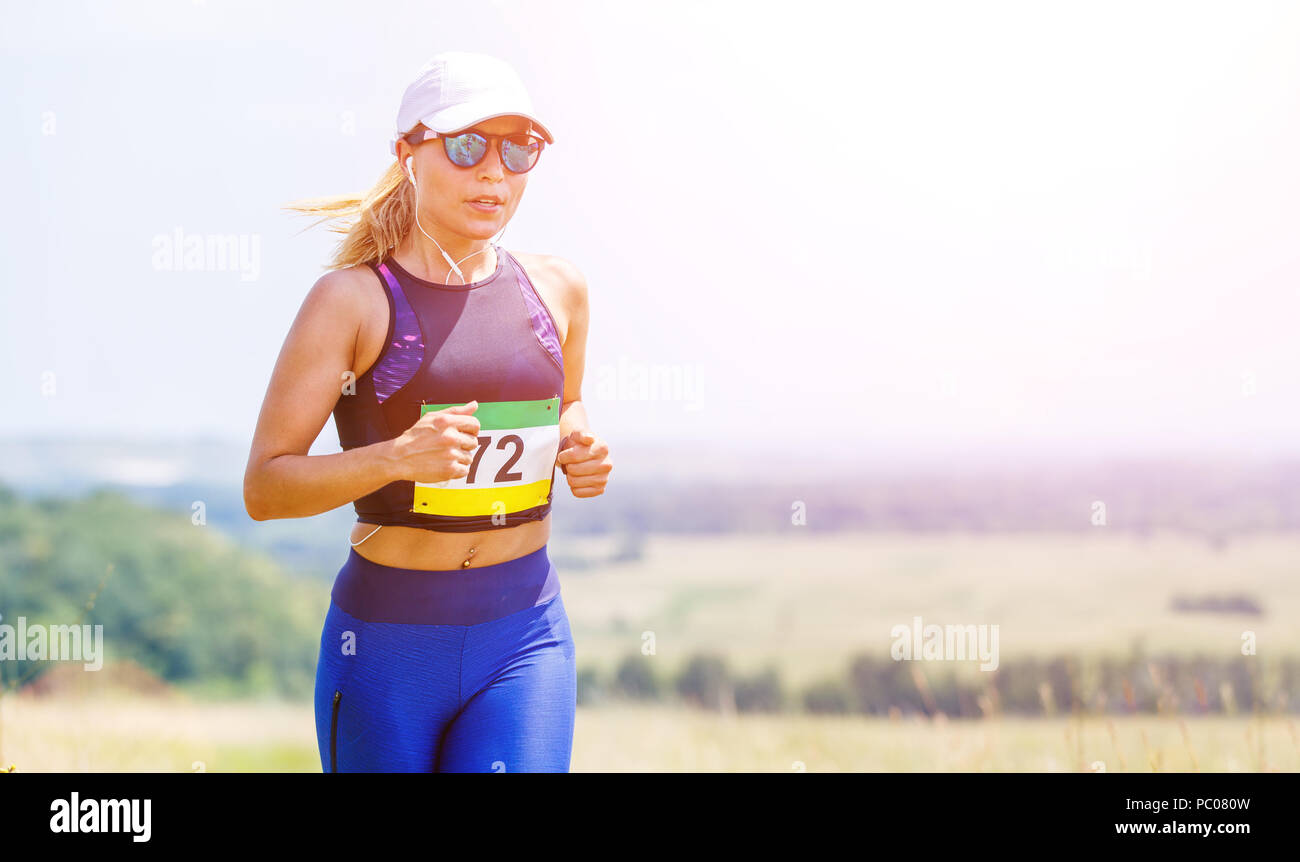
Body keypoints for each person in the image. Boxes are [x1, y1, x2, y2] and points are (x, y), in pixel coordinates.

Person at [243, 51, 613, 772]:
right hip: (387, 645)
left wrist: (580, 442)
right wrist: (392, 459)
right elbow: (265, 487)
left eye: (519, 149)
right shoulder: (350, 301)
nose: (494, 172)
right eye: (469, 144)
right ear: (408, 153)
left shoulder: (560, 289)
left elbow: (566, 402)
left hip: (526, 635)